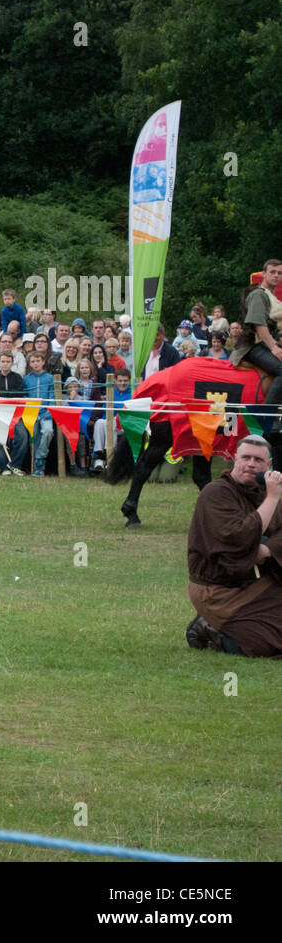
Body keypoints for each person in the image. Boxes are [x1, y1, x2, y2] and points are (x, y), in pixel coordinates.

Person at [185, 436, 282, 656]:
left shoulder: (265, 494)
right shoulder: (215, 493)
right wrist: (273, 498)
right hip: (218, 589)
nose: (251, 464)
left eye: (258, 460)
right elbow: (239, 538)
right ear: (234, 459)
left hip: (257, 582)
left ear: (268, 466)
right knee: (264, 644)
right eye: (245, 457)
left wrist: (267, 549)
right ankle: (208, 628)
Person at [231, 259, 282, 421]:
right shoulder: (258, 294)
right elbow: (259, 324)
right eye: (272, 272)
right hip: (253, 346)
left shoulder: (274, 299)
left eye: (279, 273)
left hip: (267, 343)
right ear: (264, 274)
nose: (276, 276)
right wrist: (275, 348)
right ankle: (265, 419)